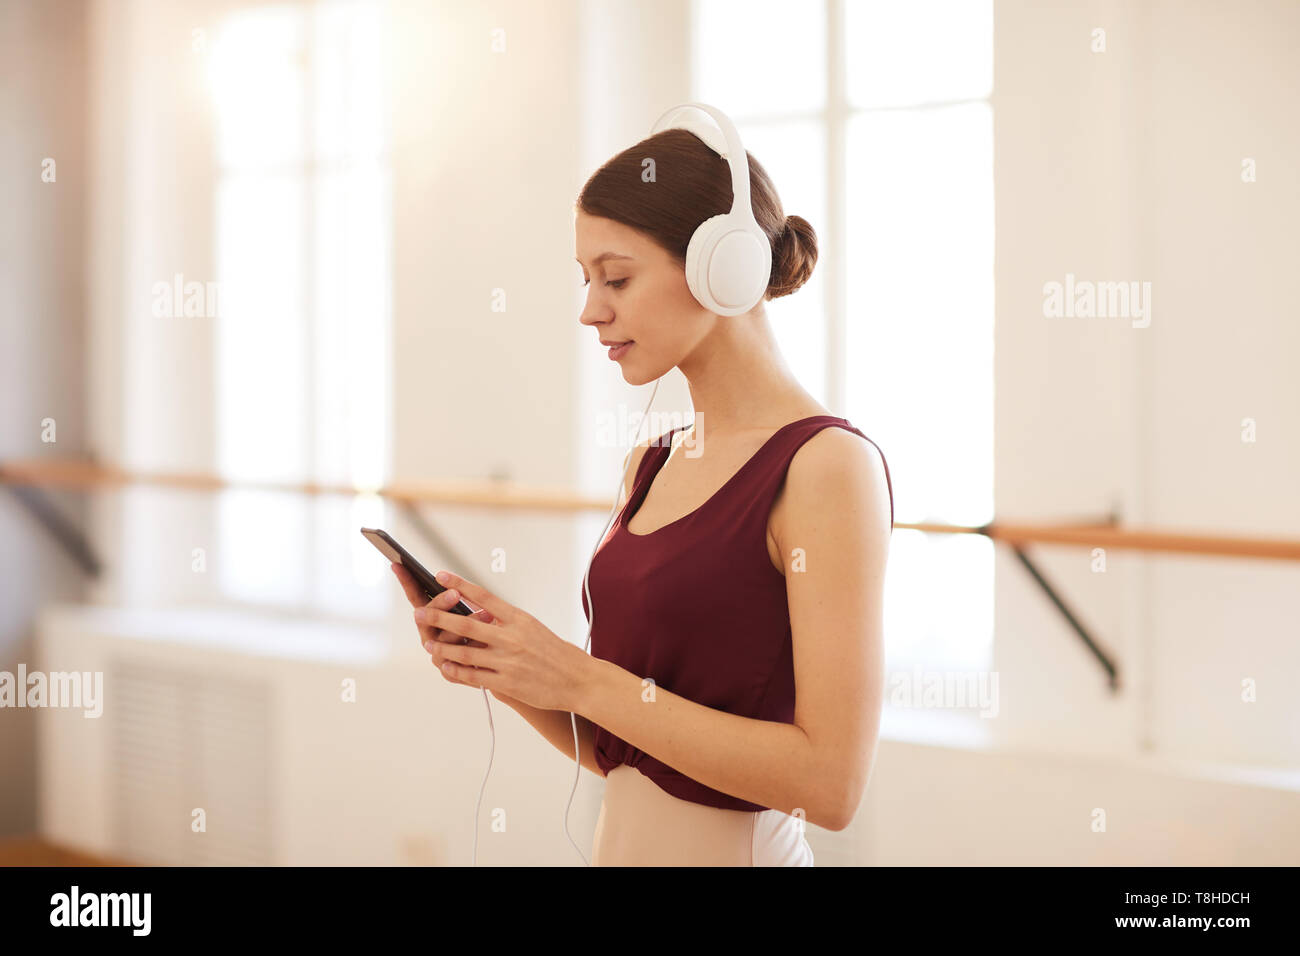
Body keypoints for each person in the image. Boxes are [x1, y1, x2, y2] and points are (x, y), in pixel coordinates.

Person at [396, 122, 893, 866]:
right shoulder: (652, 464)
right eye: (585, 279)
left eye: (617, 277)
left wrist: (580, 677)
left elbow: (829, 786)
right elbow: (624, 749)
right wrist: (514, 668)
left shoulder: (825, 466)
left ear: (720, 270)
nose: (591, 309)